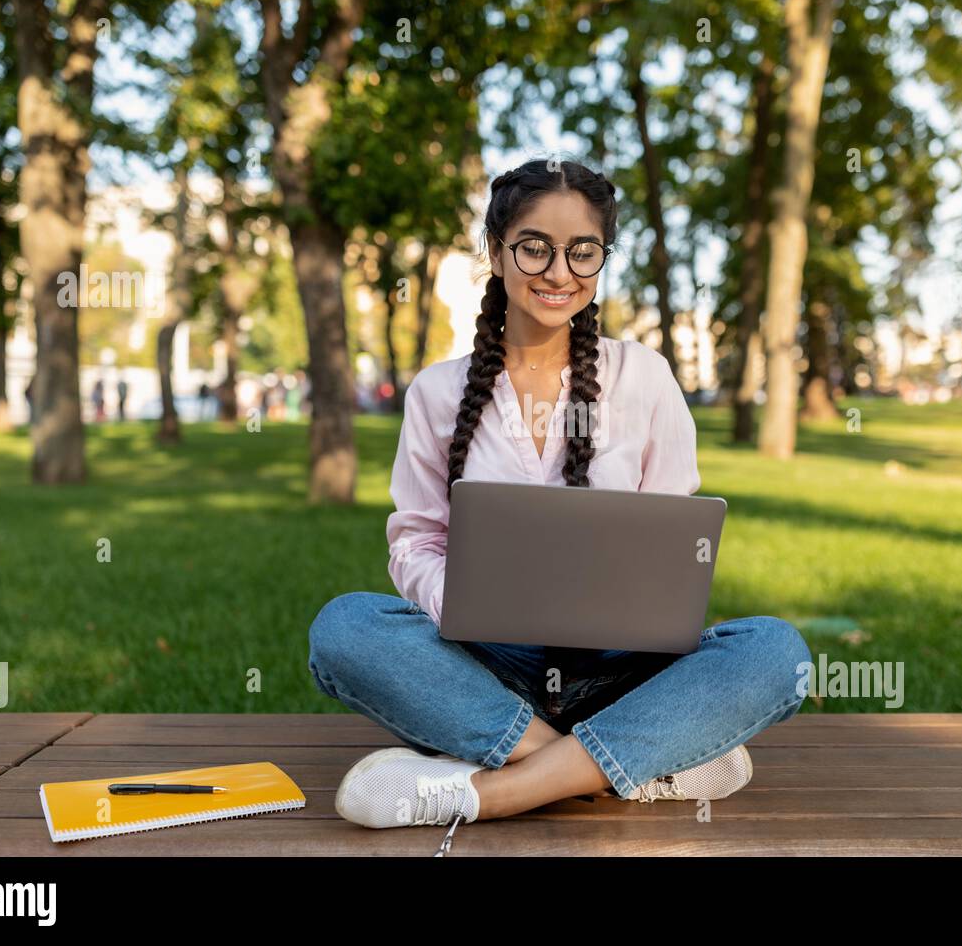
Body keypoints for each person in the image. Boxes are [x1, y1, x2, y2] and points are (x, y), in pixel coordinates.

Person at [308, 158, 811, 832]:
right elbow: (416, 541)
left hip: (621, 671)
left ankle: (488, 792)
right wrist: (459, 604)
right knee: (343, 629)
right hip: (488, 670)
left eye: (583, 251)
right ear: (496, 251)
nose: (559, 271)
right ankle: (618, 764)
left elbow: (673, 542)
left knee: (777, 653)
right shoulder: (436, 392)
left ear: (602, 259)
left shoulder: (646, 378)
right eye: (535, 247)